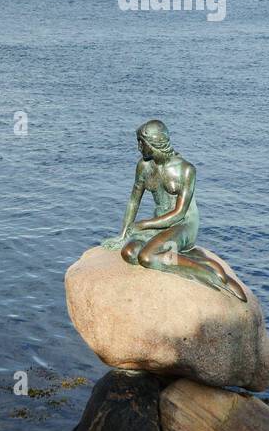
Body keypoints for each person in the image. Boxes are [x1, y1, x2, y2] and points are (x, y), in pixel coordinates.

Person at [102, 119, 246, 302]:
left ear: (154, 143)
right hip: (160, 223)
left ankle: (211, 275)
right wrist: (122, 235)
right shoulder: (143, 167)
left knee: (147, 256)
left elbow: (179, 213)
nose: (138, 147)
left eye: (141, 142)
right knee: (129, 253)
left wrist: (143, 224)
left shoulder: (185, 169)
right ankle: (192, 258)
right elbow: (133, 201)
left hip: (183, 225)